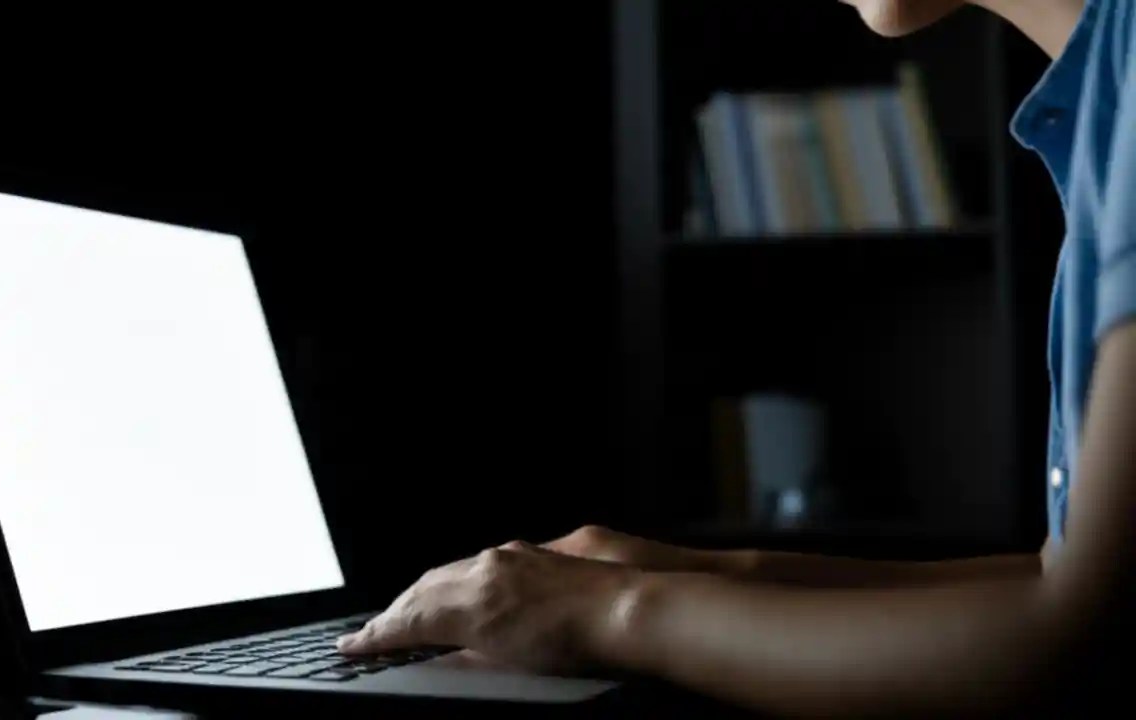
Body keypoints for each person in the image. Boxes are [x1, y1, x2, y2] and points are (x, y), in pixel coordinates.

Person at [338, 0, 1135, 715]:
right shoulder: (1103, 95)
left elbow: (1076, 645)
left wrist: (609, 613)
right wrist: (698, 574)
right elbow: (1055, 582)